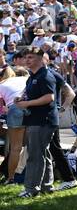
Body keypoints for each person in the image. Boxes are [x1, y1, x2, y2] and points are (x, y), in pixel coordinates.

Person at [13, 48, 59, 198]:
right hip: (37, 120)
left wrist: (27, 104)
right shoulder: (32, 76)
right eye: (26, 57)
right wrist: (20, 98)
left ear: (40, 58)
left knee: (34, 155)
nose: (27, 60)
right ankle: (47, 186)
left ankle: (31, 189)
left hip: (42, 121)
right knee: (42, 153)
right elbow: (27, 91)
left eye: (31, 57)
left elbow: (49, 97)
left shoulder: (45, 75)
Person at [0, 64, 27, 185]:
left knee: (15, 148)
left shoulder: (2, 85)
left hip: (15, 109)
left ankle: (11, 179)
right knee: (34, 146)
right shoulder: (26, 78)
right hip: (34, 107)